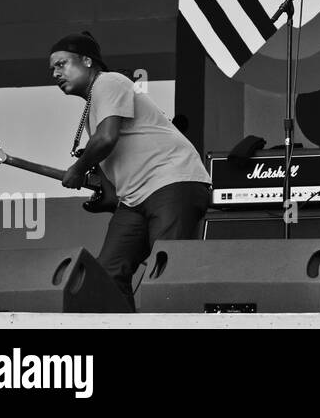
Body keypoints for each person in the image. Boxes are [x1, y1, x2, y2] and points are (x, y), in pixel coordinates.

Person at [50, 31, 212, 309]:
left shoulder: (108, 81)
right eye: (52, 69)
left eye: (61, 64)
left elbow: (106, 138)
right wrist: (101, 189)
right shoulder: (93, 109)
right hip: (135, 199)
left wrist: (77, 169)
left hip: (172, 181)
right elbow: (110, 174)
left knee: (167, 272)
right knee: (107, 275)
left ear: (88, 61)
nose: (55, 73)